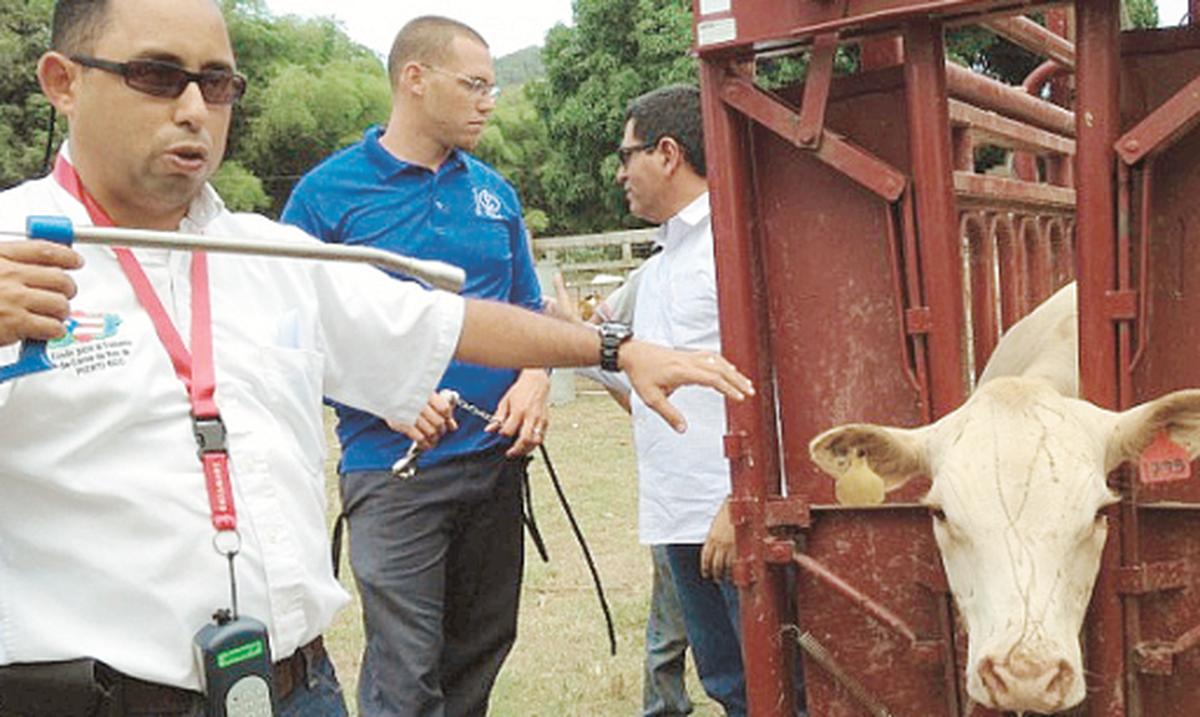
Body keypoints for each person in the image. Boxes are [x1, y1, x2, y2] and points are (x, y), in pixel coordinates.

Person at [0, 2, 753, 716]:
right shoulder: (12, 249)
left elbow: (441, 320)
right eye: (158, 77)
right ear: (64, 82)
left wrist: (615, 347)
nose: (196, 108)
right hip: (105, 696)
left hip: (297, 683)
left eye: (219, 83)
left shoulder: (269, 253)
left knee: (476, 650)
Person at [281, 16, 551, 717]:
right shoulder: (325, 196)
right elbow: (284, 333)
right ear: (415, 78)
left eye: (492, 86)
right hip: (392, 468)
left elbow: (530, 309)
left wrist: (535, 378)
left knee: (480, 650)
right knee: (406, 672)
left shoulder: (495, 193)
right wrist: (387, 391)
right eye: (475, 84)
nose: (489, 100)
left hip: (496, 461)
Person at [614, 84, 748, 716]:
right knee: (726, 683)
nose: (621, 173)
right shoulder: (667, 256)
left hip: (726, 516)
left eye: (628, 155)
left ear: (667, 153)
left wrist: (739, 503)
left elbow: (765, 383)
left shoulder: (730, 244)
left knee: (770, 687)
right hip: (679, 516)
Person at [553, 270, 694, 717]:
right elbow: (600, 334)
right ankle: (663, 705)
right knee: (671, 619)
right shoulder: (652, 273)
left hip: (708, 471)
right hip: (675, 482)